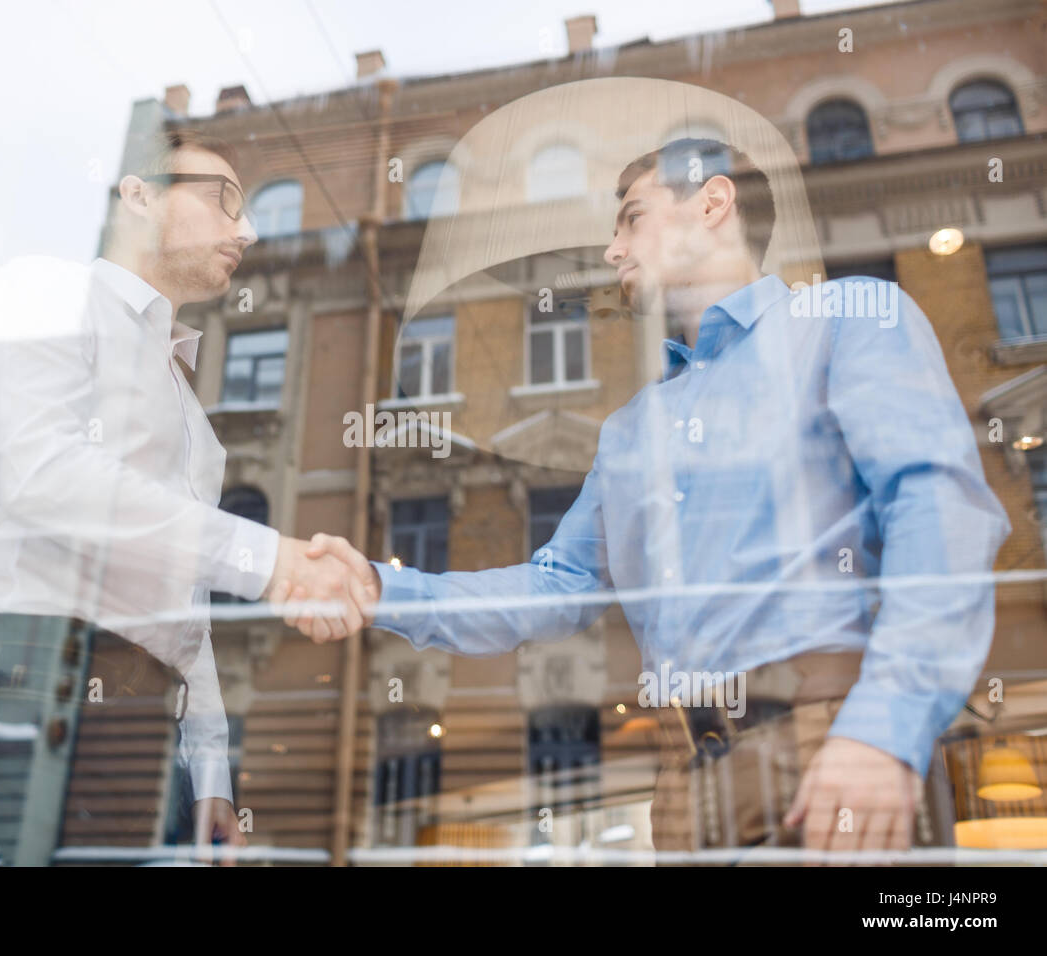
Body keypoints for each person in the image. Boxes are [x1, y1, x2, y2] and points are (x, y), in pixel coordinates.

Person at [305, 138, 1011, 862]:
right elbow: (558, 585)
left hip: (829, 744)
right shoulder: (635, 428)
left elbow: (939, 510)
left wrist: (884, 725)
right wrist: (382, 587)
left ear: (712, 202)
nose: (613, 251)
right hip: (683, 786)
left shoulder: (848, 319)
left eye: (630, 219)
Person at [0, 126, 376, 866]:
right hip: (29, 679)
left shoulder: (187, 410)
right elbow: (44, 475)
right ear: (137, 195)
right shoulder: (44, 289)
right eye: (226, 201)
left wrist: (210, 775)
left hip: (130, 722)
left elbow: (180, 609)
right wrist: (272, 561)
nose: (249, 230)